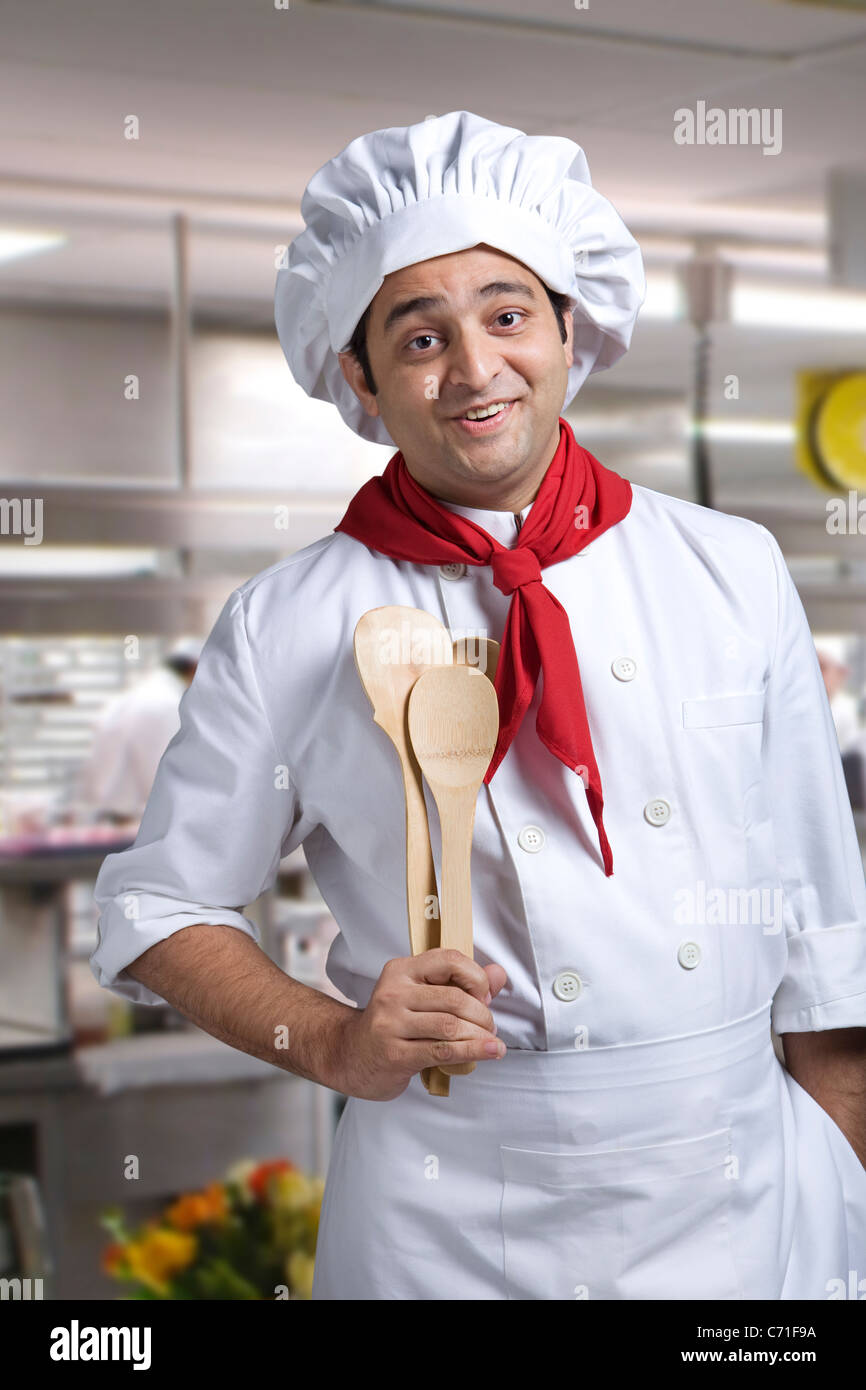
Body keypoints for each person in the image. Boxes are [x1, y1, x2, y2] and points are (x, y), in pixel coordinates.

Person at [90, 112, 866, 1301]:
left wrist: (845, 1179)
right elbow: (159, 903)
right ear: (358, 374)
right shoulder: (289, 620)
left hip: (740, 1187)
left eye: (508, 316)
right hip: (444, 1207)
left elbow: (824, 935)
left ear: (570, 328)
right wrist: (336, 1039)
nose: (474, 369)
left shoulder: (732, 569)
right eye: (419, 336)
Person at [78, 638, 202, 824]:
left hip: (106, 820)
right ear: (194, 668)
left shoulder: (126, 700)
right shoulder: (168, 706)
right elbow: (167, 783)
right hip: (139, 826)